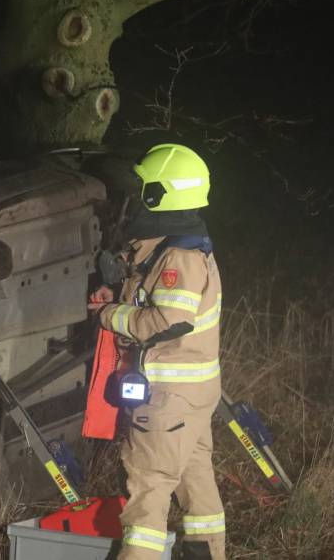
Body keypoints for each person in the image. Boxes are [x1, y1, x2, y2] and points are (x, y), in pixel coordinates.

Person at [88, 143, 224, 560]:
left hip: (169, 399)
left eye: (144, 186)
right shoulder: (175, 245)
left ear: (159, 195)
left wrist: (110, 315)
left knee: (147, 491)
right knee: (196, 487)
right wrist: (121, 293)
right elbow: (157, 302)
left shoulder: (178, 255)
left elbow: (168, 320)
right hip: (192, 397)